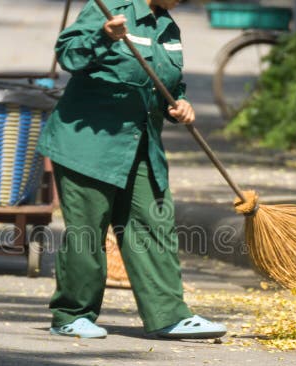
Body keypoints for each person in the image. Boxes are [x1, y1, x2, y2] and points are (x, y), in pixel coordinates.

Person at [37, 0, 227, 339]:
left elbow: (166, 84)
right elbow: (69, 55)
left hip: (140, 145)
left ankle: (170, 315)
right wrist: (103, 36)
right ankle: (71, 315)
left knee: (154, 223)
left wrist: (178, 105)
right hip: (88, 142)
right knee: (88, 230)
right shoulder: (110, 8)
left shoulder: (168, 27)